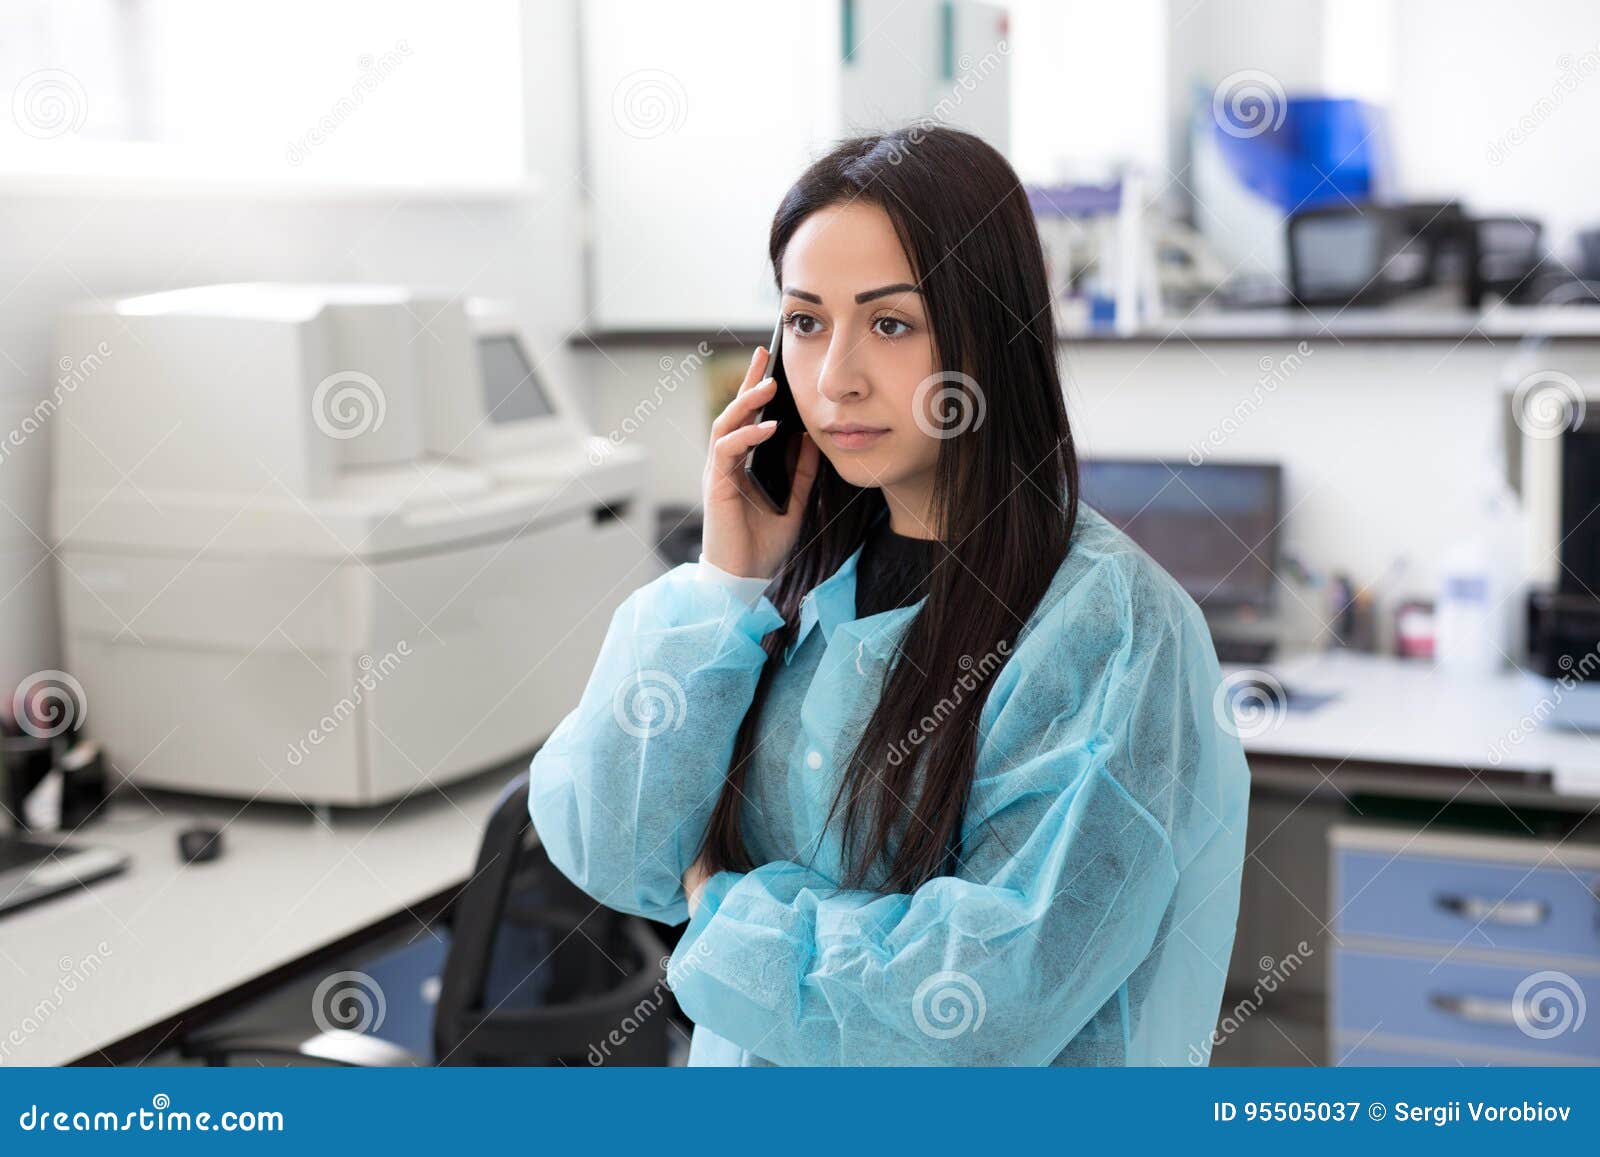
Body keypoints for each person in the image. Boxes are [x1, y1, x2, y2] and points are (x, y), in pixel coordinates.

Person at [529, 125, 1251, 1066]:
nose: (836, 379)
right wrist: (725, 582)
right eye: (805, 322)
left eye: (891, 323)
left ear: (989, 334)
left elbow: (980, 1005)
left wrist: (725, 914)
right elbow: (614, 852)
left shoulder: (1109, 629)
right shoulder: (780, 586)